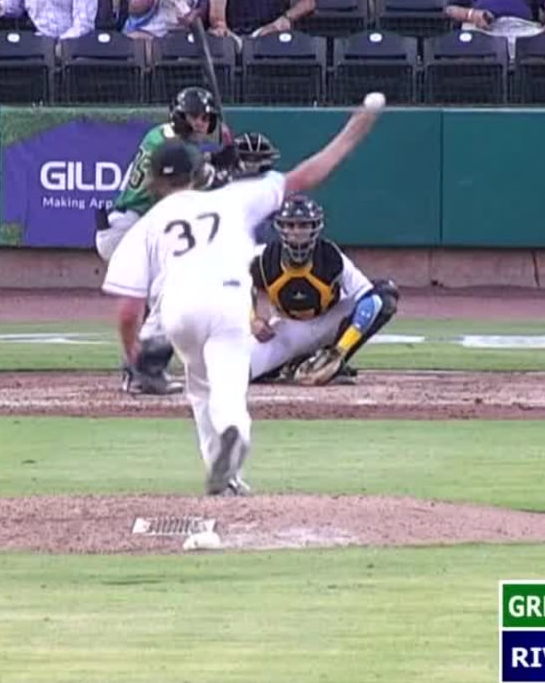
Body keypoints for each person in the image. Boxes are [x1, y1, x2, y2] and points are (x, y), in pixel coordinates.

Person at [100, 94, 385, 496]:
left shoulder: (152, 222)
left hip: (180, 309)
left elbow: (129, 310)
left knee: (198, 387)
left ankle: (221, 467)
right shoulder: (232, 198)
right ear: (199, 173)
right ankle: (233, 441)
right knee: (228, 388)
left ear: (157, 183)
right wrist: (354, 131)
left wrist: (134, 355)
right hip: (230, 302)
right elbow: (307, 176)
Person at [96, 85, 232, 396]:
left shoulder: (177, 143)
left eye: (204, 118)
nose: (200, 124)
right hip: (128, 226)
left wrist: (220, 161)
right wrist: (224, 162)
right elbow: (198, 178)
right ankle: (142, 369)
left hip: (136, 228)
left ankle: (139, 370)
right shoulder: (167, 141)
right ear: (179, 116)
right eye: (194, 117)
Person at [248, 195, 400, 386]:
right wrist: (252, 319)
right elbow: (236, 286)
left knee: (385, 296)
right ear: (281, 228)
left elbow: (370, 299)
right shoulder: (263, 258)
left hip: (331, 321)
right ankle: (293, 363)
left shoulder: (331, 256)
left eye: (304, 226)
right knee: (241, 372)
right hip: (286, 329)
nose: (297, 232)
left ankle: (333, 363)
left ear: (315, 227)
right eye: (291, 226)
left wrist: (339, 351)